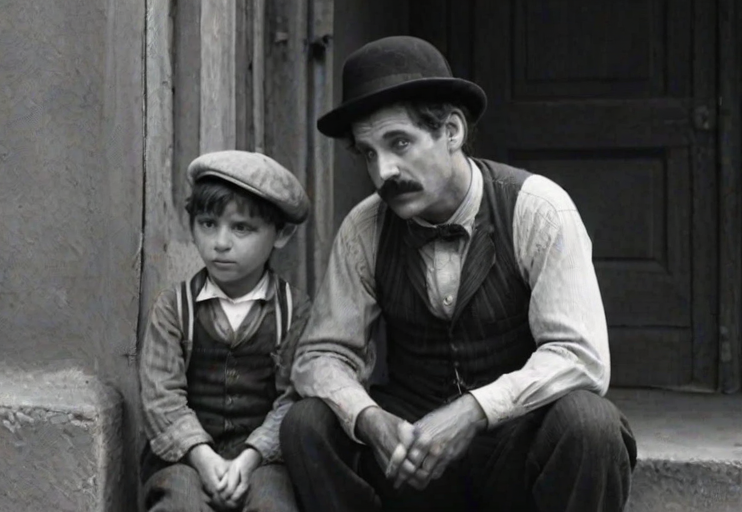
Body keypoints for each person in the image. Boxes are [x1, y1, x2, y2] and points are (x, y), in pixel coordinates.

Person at [280, 36, 637, 512]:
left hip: (515, 447)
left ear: (451, 131)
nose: (384, 171)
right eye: (368, 153)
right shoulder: (364, 227)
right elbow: (319, 357)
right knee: (307, 425)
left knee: (590, 423)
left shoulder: (537, 208)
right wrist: (370, 419)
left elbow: (582, 357)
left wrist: (473, 410)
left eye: (400, 143)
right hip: (413, 459)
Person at [139, 150, 311, 511]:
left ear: (281, 233)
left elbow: (293, 400)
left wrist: (249, 459)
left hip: (263, 461)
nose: (220, 242)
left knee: (274, 503)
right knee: (179, 502)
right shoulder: (174, 308)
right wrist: (203, 458)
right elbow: (162, 398)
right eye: (207, 224)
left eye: (241, 228)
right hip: (184, 460)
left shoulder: (294, 312)